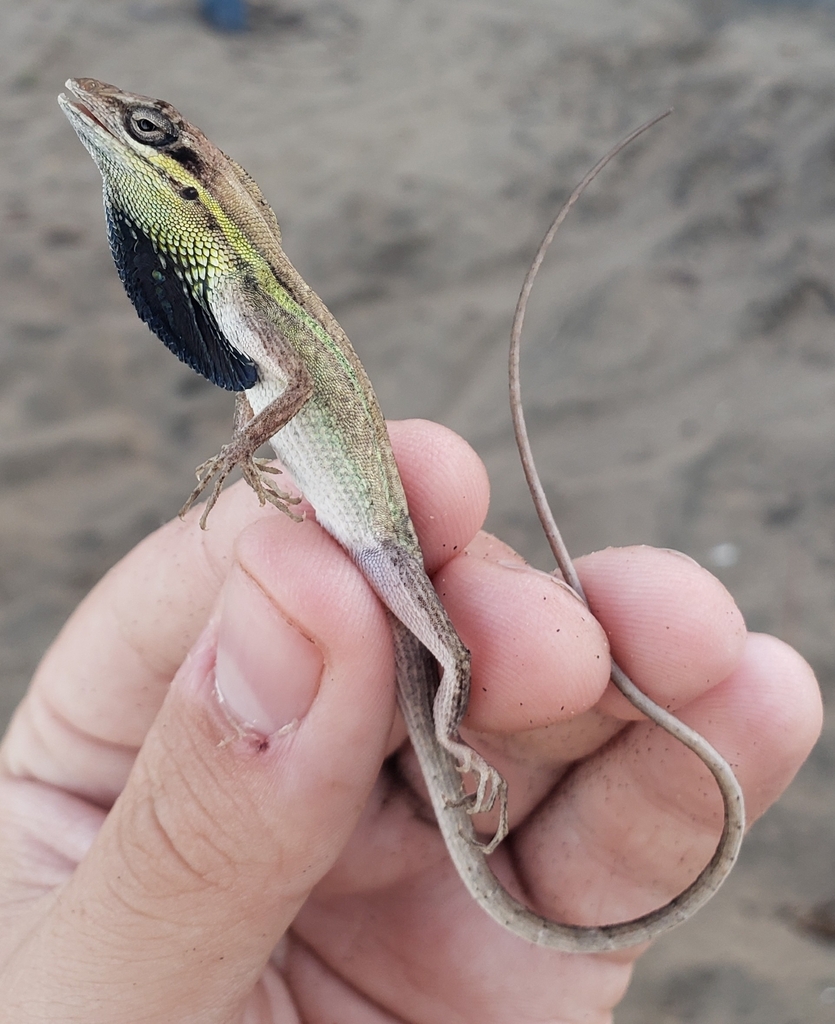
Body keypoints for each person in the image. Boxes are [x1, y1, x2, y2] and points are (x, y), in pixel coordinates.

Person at [0, 420, 822, 1022]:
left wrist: (238, 453)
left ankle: (464, 749)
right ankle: (461, 747)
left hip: (384, 548)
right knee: (493, 643)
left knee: (465, 658)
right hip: (362, 544)